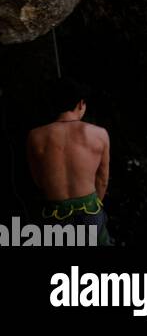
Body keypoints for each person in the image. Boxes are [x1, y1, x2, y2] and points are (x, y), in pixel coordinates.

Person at [26, 78, 113, 245]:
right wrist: (94, 206)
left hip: (55, 212)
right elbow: (102, 180)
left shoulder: (35, 136)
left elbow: (38, 180)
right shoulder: (100, 134)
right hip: (89, 207)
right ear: (81, 104)